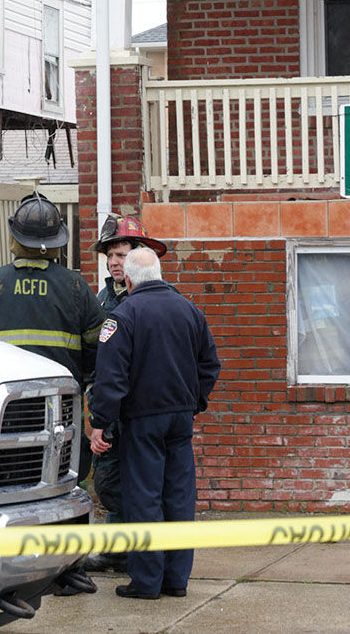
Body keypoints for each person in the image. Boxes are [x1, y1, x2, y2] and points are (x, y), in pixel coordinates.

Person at [0, 192, 104, 595]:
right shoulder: (76, 286)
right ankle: (69, 570)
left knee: (6, 489)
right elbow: (98, 347)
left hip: (4, 414)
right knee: (69, 487)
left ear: (15, 239)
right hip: (62, 411)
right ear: (57, 243)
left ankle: (8, 569)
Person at [88, 246, 220, 601]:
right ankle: (176, 580)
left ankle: (146, 583)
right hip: (180, 420)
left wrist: (100, 422)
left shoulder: (123, 315)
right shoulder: (189, 310)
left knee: (144, 497)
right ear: (159, 274)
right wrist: (195, 402)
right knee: (179, 498)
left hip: (142, 421)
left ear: (128, 279)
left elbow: (110, 377)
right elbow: (210, 364)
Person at [85, 214, 168, 575]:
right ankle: (123, 549)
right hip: (109, 408)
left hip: (137, 410)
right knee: (109, 481)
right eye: (111, 255)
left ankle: (132, 551)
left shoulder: (148, 299)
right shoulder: (102, 299)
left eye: (121, 254)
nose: (115, 262)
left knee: (131, 482)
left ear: (138, 255)